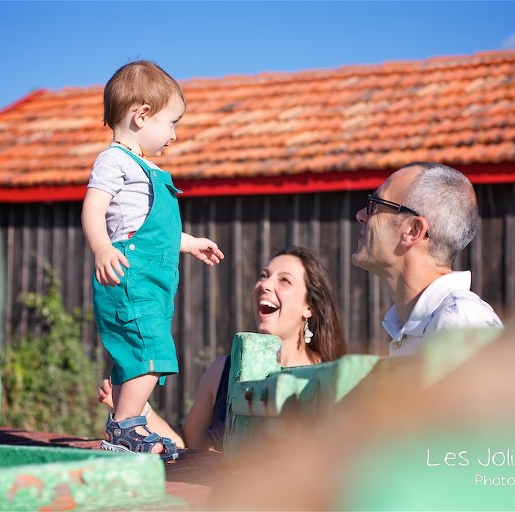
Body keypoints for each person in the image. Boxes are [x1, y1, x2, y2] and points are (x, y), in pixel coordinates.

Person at [81, 60, 224, 456]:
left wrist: (189, 242)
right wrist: (102, 247)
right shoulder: (114, 160)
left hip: (152, 279)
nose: (174, 134)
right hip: (130, 274)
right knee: (152, 349)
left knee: (134, 353)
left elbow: (153, 232)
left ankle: (127, 425)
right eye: (172, 123)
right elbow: (93, 209)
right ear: (142, 116)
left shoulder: (146, 167)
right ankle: (126, 425)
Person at [98, 245, 348, 451]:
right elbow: (189, 443)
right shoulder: (222, 371)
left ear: (309, 307)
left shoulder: (330, 379)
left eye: (285, 280)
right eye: (263, 275)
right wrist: (136, 409)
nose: (265, 284)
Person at [351, 162, 503, 357]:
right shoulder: (430, 322)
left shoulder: (460, 323)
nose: (361, 215)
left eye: (376, 205)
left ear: (413, 230)